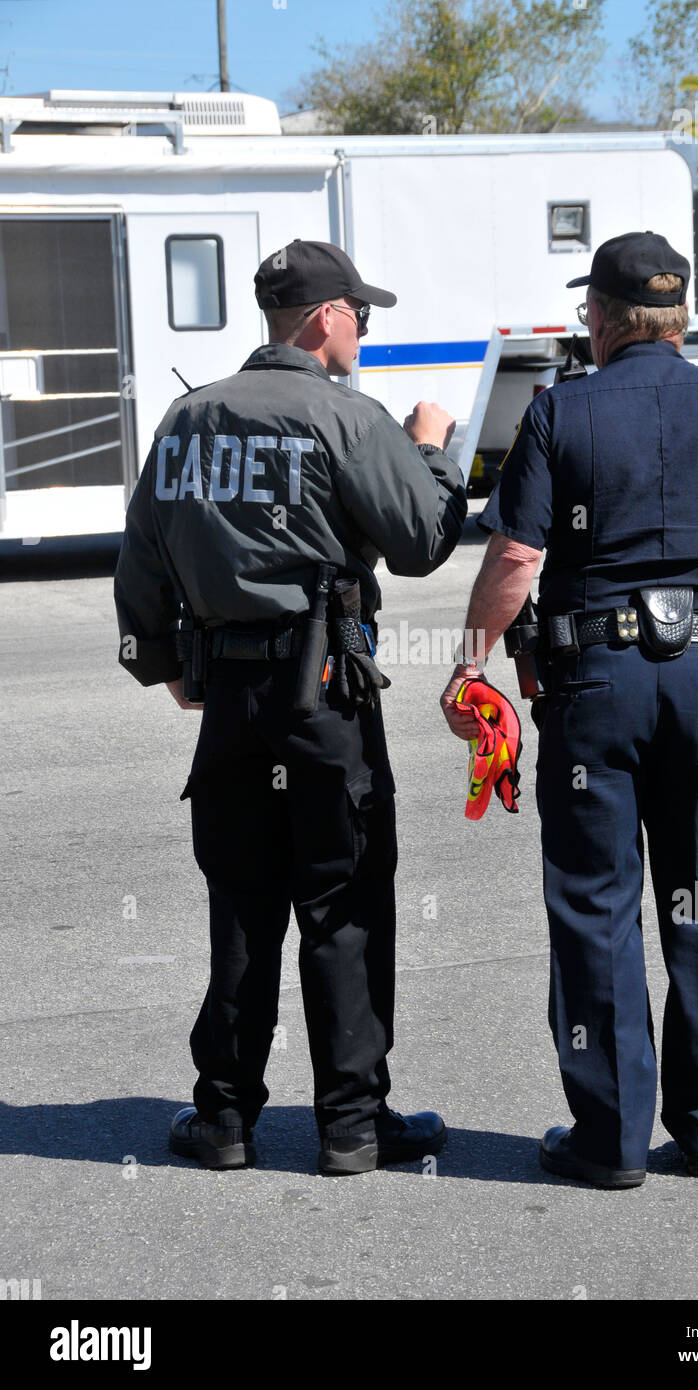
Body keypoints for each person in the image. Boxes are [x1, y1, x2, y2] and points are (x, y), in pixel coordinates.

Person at [440, 230, 698, 1189]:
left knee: (596, 905)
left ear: (599, 316)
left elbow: (514, 561)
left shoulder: (559, 411)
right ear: (679, 319)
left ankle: (611, 1139)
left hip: (595, 685)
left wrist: (467, 668)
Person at [115, 238, 466, 1175]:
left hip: (229, 693)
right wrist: (431, 446)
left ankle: (224, 1118)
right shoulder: (344, 415)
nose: (367, 327)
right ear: (325, 319)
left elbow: (141, 558)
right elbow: (423, 539)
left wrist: (164, 663)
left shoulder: (186, 417)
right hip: (323, 693)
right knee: (339, 902)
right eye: (361, 312)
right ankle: (351, 1125)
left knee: (241, 904)